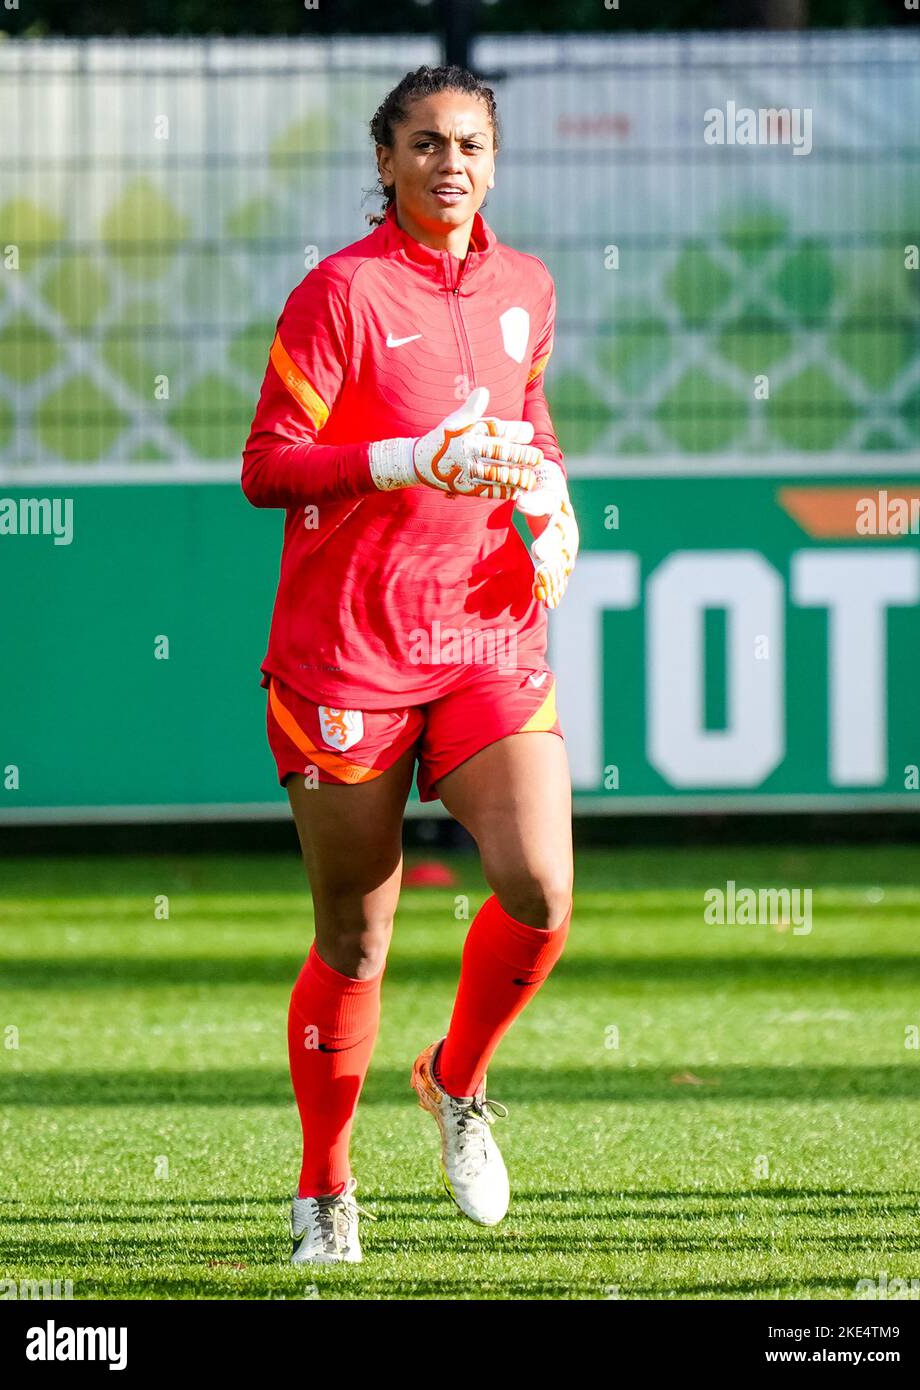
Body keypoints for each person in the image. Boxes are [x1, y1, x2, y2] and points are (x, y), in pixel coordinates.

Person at [241, 63, 579, 1266]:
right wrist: (397, 460)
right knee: (356, 939)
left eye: (472, 145)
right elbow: (268, 467)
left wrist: (551, 497)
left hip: (486, 629)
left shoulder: (526, 287)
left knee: (539, 888)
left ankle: (453, 1080)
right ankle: (325, 1187)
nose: (451, 165)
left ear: (495, 160)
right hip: (348, 651)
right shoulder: (336, 295)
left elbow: (526, 425)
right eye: (425, 144)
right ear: (383, 160)